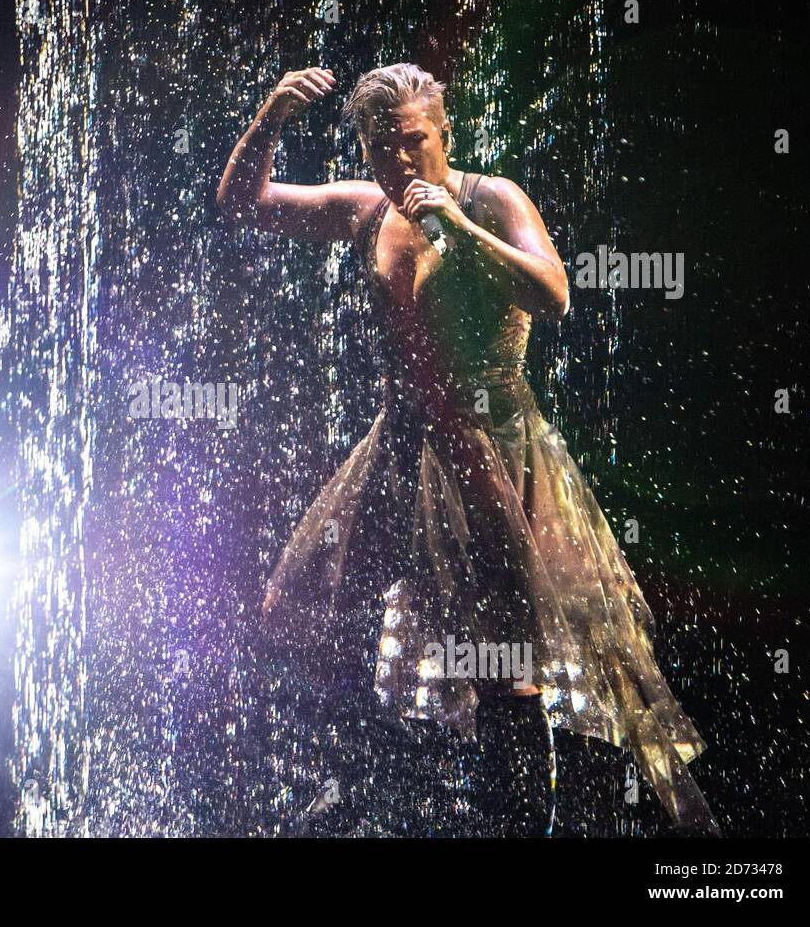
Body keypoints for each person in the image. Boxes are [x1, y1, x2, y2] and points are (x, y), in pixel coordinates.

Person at [216, 62, 718, 835]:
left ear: (443, 133)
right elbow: (243, 204)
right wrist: (271, 117)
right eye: (382, 150)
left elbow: (554, 296)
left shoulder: (494, 197)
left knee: (510, 662)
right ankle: (358, 799)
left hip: (492, 452)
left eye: (413, 143)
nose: (400, 163)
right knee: (306, 614)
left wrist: (459, 226)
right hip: (398, 450)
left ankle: (533, 823)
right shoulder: (365, 210)